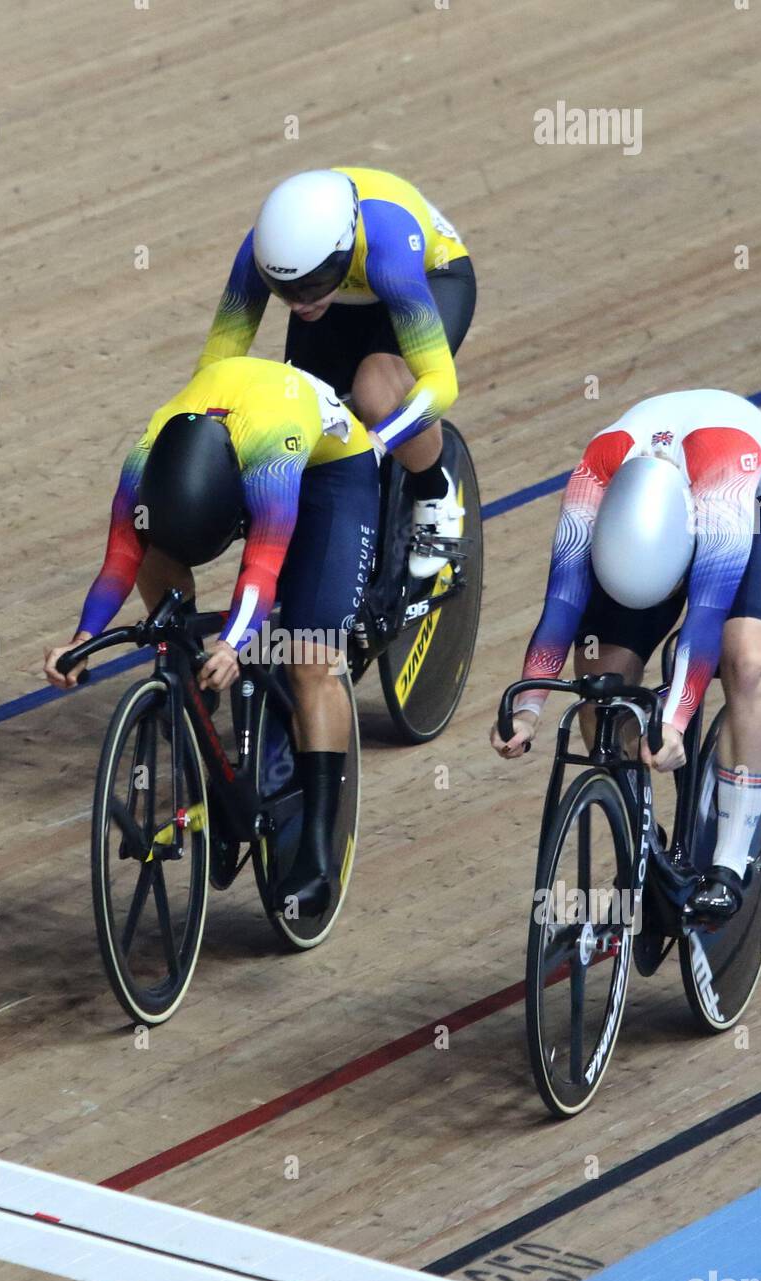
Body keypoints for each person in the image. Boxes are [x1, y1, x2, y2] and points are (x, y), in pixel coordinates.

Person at [44, 355, 379, 917]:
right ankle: (188, 670)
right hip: (218, 454)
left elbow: (263, 567)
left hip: (330, 473)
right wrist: (80, 639)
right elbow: (119, 561)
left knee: (310, 655)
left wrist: (236, 641)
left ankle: (318, 851)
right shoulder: (143, 462)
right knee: (152, 548)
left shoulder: (272, 462)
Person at [490, 389, 761, 919]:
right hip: (648, 527)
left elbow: (704, 620)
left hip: (759, 510)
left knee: (747, 661)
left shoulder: (725, 482)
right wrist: (528, 711)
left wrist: (677, 721)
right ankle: (643, 838)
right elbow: (563, 603)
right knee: (600, 679)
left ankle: (730, 864)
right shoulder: (594, 477)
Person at [197, 167, 476, 579]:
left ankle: (435, 493)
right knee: (302, 406)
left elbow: (441, 384)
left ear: (342, 252)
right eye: (284, 290)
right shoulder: (264, 257)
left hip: (432, 277)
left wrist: (378, 442)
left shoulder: (389, 255)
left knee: (376, 391)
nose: (298, 304)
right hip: (344, 295)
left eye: (311, 286)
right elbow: (216, 366)